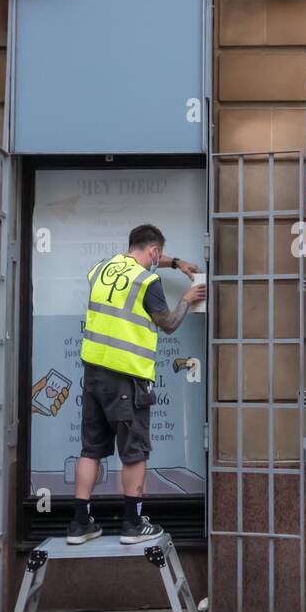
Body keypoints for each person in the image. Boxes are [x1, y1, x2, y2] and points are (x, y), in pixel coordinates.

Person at [69, 224, 207, 545]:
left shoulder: (102, 269)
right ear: (154, 251)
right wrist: (186, 299)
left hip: (93, 374)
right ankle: (132, 524)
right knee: (134, 451)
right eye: (159, 255)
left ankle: (79, 524)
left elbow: (143, 257)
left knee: (91, 449)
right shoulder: (148, 282)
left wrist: (175, 263)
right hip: (126, 378)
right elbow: (169, 324)